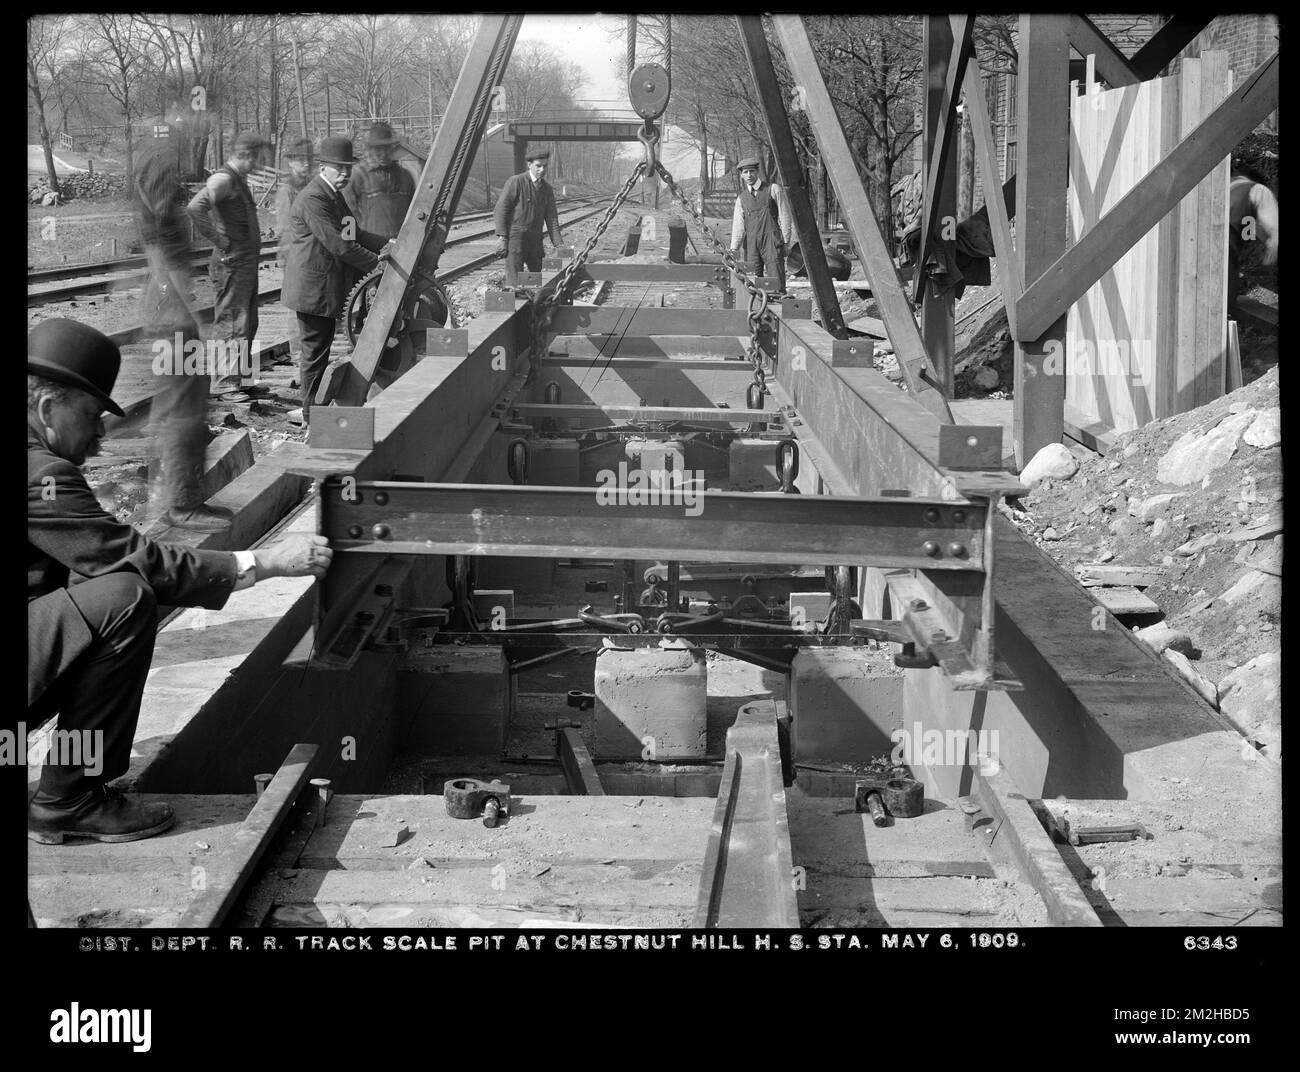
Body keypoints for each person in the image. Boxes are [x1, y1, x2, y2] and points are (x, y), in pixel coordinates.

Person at [27, 318, 333, 844]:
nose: (101, 434)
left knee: (92, 585)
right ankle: (68, 801)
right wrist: (267, 562)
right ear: (48, 408)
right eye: (93, 415)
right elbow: (136, 562)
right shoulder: (40, 476)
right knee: (124, 597)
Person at [133, 126, 232, 533]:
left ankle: (171, 495)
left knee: (180, 405)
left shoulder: (155, 207)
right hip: (171, 318)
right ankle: (183, 505)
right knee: (184, 412)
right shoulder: (162, 212)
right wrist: (190, 315)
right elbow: (165, 268)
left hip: (165, 315)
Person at [281, 136, 390, 425]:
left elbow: (353, 233)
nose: (344, 174)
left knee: (319, 350)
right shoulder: (314, 198)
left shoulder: (332, 194)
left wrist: (392, 243)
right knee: (315, 353)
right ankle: (310, 417)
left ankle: (312, 411)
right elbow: (340, 245)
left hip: (324, 288)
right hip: (312, 290)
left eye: (347, 168)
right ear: (323, 167)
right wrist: (381, 265)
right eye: (338, 168)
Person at [187, 132, 267, 402]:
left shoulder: (238, 180)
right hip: (231, 264)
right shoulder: (223, 179)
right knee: (231, 323)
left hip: (244, 264)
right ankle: (223, 383)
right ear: (246, 156)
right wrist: (220, 240)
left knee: (246, 323)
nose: (257, 164)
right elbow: (195, 207)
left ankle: (242, 378)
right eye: (255, 158)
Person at [494, 148, 563, 286]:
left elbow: (551, 218)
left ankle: (534, 305)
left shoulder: (547, 189)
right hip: (516, 238)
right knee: (514, 282)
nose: (542, 169)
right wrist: (502, 237)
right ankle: (515, 304)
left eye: (545, 166)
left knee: (536, 280)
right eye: (538, 166)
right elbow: (501, 209)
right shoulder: (516, 182)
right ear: (529, 165)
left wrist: (559, 244)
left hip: (536, 240)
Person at [728, 156, 794, 292]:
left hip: (771, 240)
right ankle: (756, 308)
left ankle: (778, 303)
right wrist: (734, 248)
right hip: (751, 242)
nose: (749, 175)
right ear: (741, 175)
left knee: (776, 277)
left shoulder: (773, 189)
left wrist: (787, 241)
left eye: (751, 171)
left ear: (757, 172)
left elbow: (785, 215)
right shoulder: (741, 199)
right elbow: (738, 226)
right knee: (752, 277)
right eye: (745, 172)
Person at [343, 121, 416, 241]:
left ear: (392, 148)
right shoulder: (358, 174)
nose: (383, 154)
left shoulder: (405, 176)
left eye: (386, 148)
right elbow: (346, 212)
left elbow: (414, 211)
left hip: (401, 244)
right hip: (370, 246)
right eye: (378, 149)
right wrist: (352, 243)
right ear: (370, 149)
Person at [1228, 165, 1278, 316]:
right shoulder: (1259, 190)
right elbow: (1273, 233)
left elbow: (1251, 228)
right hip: (1226, 260)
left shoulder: (1221, 187)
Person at [276, 137, 316, 264]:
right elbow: (286, 229)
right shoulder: (287, 191)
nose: (307, 164)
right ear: (291, 162)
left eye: (309, 159)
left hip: (311, 251)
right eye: (301, 160)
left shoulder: (312, 186)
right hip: (294, 252)